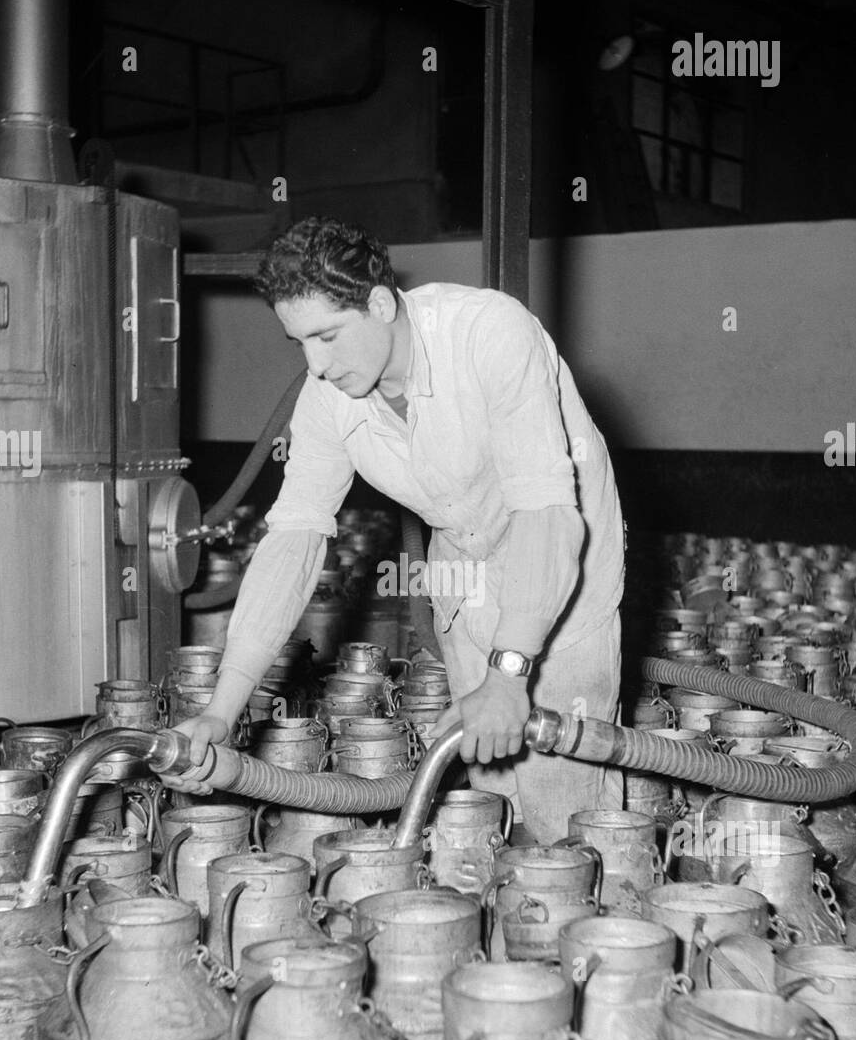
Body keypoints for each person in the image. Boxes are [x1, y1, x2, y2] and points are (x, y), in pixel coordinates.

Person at [169, 216, 625, 843]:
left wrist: (509, 671)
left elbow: (545, 509)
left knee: (564, 800)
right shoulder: (328, 398)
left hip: (562, 557)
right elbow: (294, 539)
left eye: (327, 336)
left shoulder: (490, 332)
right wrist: (224, 708)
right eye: (298, 342)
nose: (316, 365)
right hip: (464, 566)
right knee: (492, 789)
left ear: (380, 304)